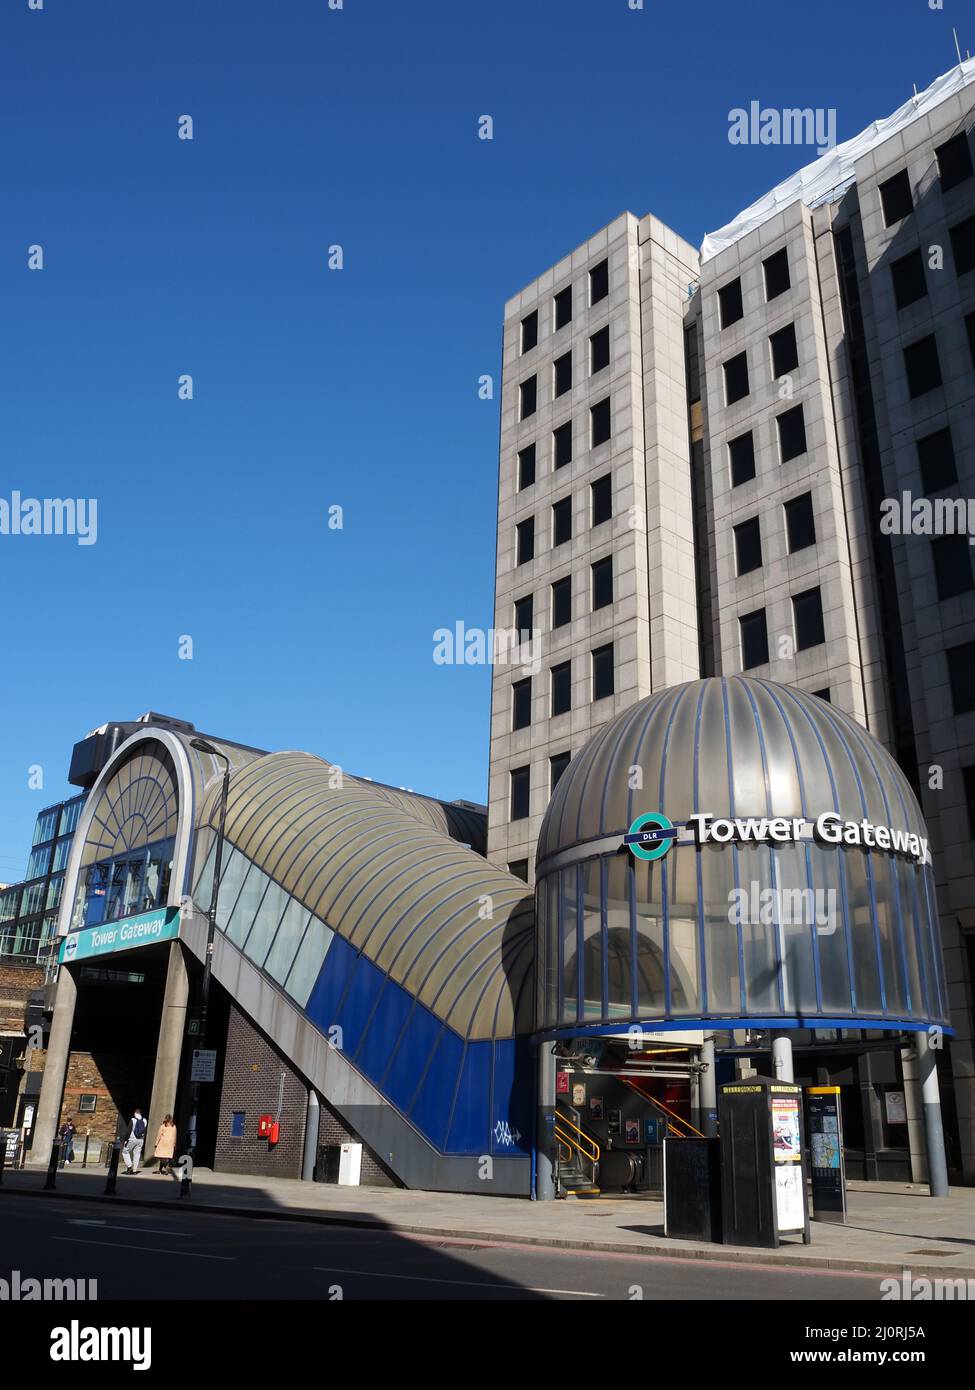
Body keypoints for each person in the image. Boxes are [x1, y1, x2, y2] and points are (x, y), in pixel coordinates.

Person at [122, 1109, 147, 1173]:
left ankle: (129, 1166)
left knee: (125, 1152)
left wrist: (125, 1140)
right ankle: (134, 1169)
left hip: (132, 1139)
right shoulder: (145, 1120)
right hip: (141, 1140)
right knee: (137, 1154)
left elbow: (128, 1131)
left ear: (135, 1113)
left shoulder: (133, 1120)